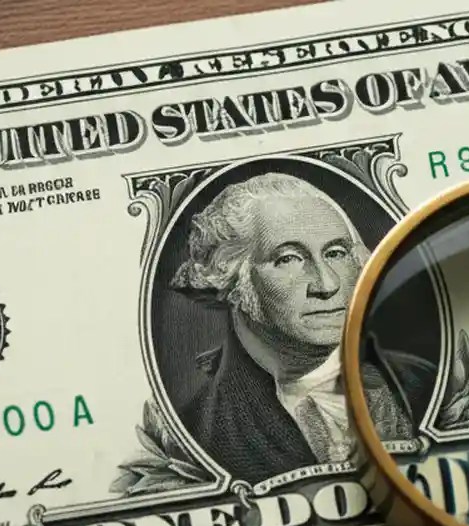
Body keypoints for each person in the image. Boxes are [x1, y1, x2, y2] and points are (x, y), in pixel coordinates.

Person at [168, 171, 434, 483]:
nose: (327, 284)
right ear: (231, 277)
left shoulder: (425, 381)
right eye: (288, 259)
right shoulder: (196, 437)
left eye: (336, 253)